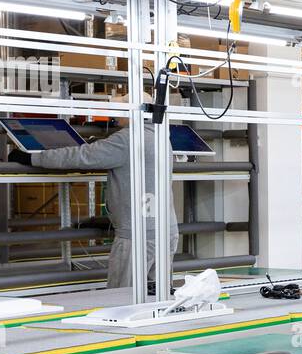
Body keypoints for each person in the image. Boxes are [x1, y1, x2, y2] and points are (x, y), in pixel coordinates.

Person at [9, 119, 178, 289]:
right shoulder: (161, 137)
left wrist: (32, 158)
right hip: (166, 230)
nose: (112, 117)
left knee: (122, 297)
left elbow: (83, 156)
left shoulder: (128, 138)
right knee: (158, 295)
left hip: (138, 236)